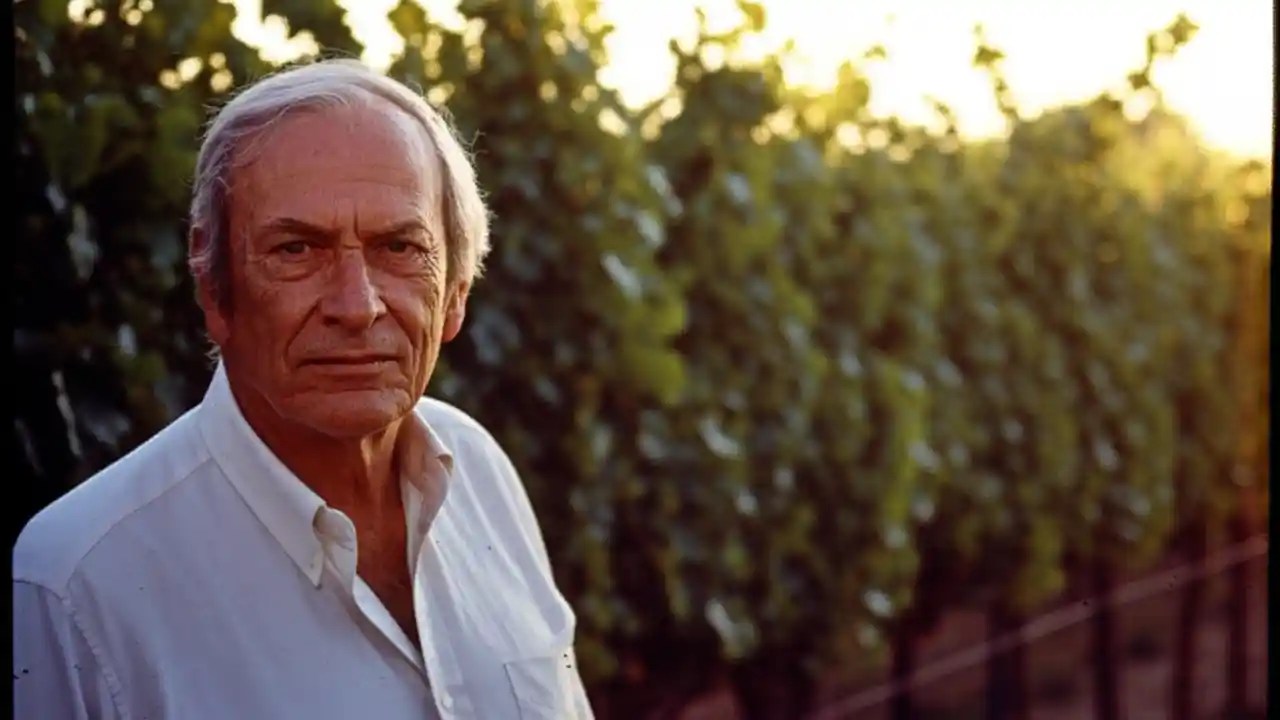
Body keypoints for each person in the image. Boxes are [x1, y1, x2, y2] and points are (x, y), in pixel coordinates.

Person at [13, 59, 593, 720]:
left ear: (455, 292)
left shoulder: (481, 472)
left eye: (400, 248)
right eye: (296, 250)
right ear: (213, 287)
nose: (357, 305)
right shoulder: (72, 588)